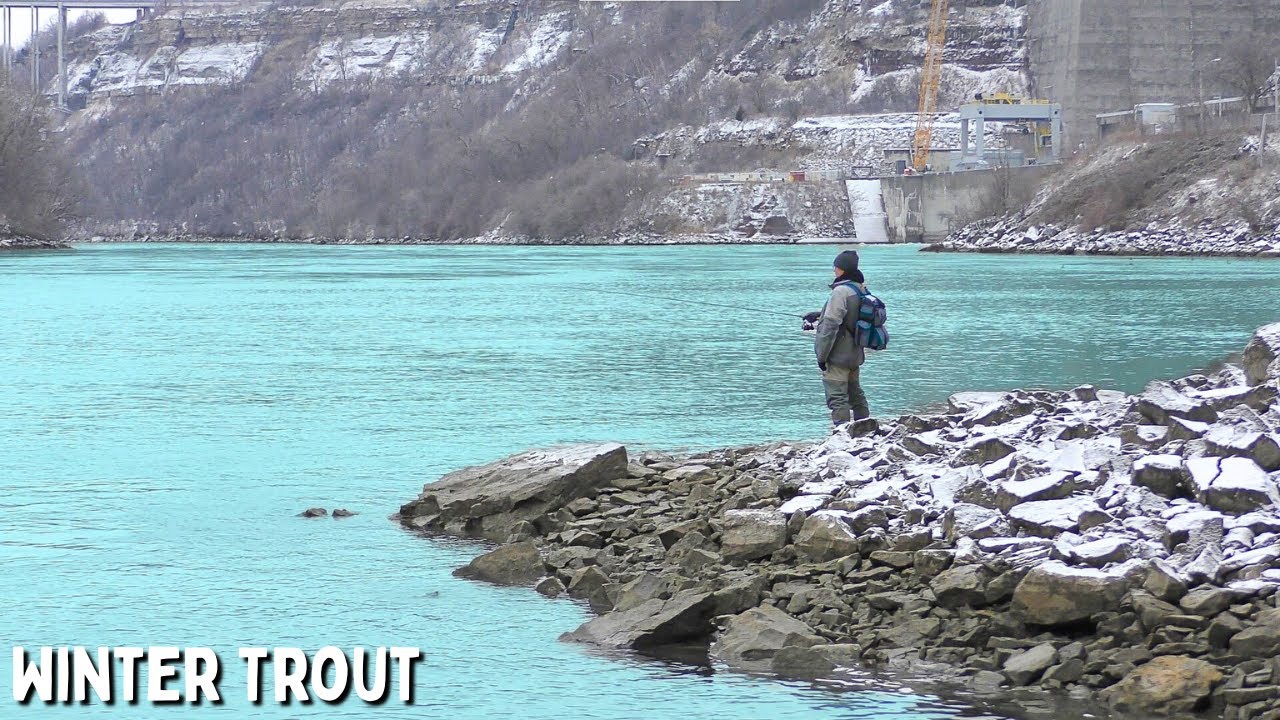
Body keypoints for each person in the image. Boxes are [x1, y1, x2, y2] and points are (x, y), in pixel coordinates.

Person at [813, 250, 870, 426]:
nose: (834, 270)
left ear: (842, 269)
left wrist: (821, 356)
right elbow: (850, 317)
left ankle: (841, 437)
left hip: (838, 355)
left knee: (837, 397)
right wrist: (817, 315)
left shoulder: (840, 292)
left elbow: (830, 327)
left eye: (836, 267)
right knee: (855, 395)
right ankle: (866, 429)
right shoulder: (860, 288)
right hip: (855, 353)